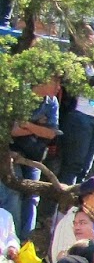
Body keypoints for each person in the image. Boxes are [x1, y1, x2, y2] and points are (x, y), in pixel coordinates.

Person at [4, 74, 62, 237]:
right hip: (11, 152)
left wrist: (27, 125)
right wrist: (38, 127)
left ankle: (25, 242)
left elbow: (51, 133)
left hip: (34, 155)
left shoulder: (52, 103)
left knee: (32, 197)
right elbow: (11, 129)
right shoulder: (18, 94)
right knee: (13, 193)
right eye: (56, 82)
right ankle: (11, 241)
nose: (59, 87)